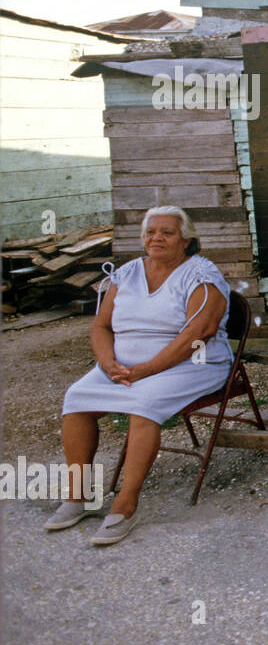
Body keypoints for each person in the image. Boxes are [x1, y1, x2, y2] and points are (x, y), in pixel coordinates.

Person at [50, 206, 233, 545]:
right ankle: (79, 495)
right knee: (75, 399)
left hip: (193, 364)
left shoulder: (201, 275)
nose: (156, 238)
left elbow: (200, 333)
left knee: (143, 403)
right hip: (122, 367)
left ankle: (126, 503)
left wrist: (147, 370)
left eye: (167, 232)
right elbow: (101, 325)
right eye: (151, 232)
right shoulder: (128, 272)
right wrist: (107, 363)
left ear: (187, 239)